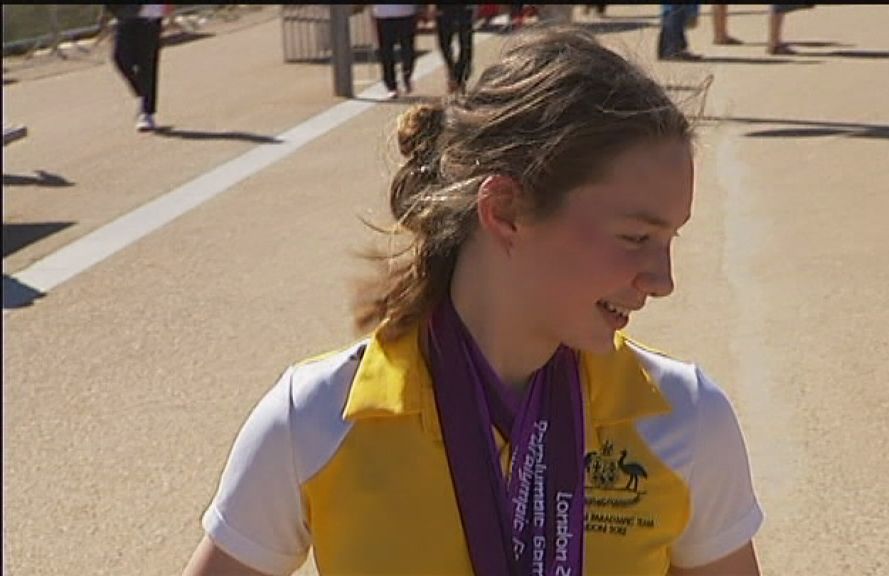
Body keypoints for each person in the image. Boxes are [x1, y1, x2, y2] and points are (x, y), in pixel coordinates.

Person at [182, 27, 763, 576]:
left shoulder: (685, 417)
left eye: (670, 239)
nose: (662, 279)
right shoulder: (315, 417)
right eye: (636, 237)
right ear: (505, 211)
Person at [107, 4, 170, 131]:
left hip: (149, 14)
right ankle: (143, 92)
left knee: (146, 64)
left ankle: (147, 112)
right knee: (120, 58)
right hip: (125, 14)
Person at [371, 4, 419, 99]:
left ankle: (407, 75)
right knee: (386, 51)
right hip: (383, 14)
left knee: (408, 50)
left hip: (406, 13)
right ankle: (391, 86)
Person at [433, 4, 475, 93]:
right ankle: (452, 72)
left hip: (464, 8)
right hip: (443, 8)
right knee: (444, 43)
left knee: (465, 43)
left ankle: (460, 77)